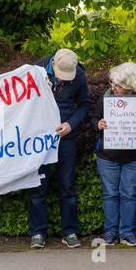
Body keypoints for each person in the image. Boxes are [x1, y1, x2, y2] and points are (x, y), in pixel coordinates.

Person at [29, 48, 91, 248]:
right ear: (53, 64)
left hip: (66, 137)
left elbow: (84, 105)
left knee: (67, 185)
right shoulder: (34, 70)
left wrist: (71, 124)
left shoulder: (79, 74)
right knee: (38, 185)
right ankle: (38, 233)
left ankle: (70, 231)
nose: (64, 81)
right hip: (39, 137)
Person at [91, 62, 136, 246]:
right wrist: (99, 125)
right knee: (110, 194)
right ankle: (111, 233)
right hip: (108, 156)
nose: (114, 87)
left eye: (118, 85)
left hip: (135, 157)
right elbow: (94, 118)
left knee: (129, 194)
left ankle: (127, 233)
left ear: (130, 86)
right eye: (113, 83)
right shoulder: (106, 96)